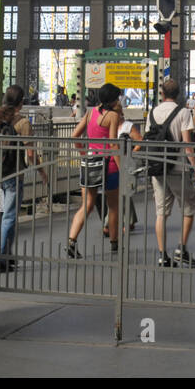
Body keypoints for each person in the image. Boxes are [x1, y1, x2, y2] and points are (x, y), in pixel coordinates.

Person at [139, 79, 195, 267]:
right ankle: (181, 250)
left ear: (162, 93)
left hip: (157, 168)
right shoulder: (183, 113)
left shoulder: (152, 113)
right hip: (178, 168)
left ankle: (162, 255)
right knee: (189, 209)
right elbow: (187, 144)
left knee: (161, 213)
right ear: (179, 94)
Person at [67, 83, 124, 258]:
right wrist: (123, 168)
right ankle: (114, 243)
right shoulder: (112, 116)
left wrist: (84, 153)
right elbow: (113, 144)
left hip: (90, 163)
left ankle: (71, 241)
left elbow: (74, 136)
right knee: (113, 206)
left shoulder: (90, 112)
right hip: (109, 165)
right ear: (114, 99)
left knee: (87, 205)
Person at [0, 85, 35, 268]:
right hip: (14, 176)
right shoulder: (23, 123)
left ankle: (6, 256)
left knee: (1, 217)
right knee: (9, 217)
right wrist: (43, 171)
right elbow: (30, 153)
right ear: (21, 103)